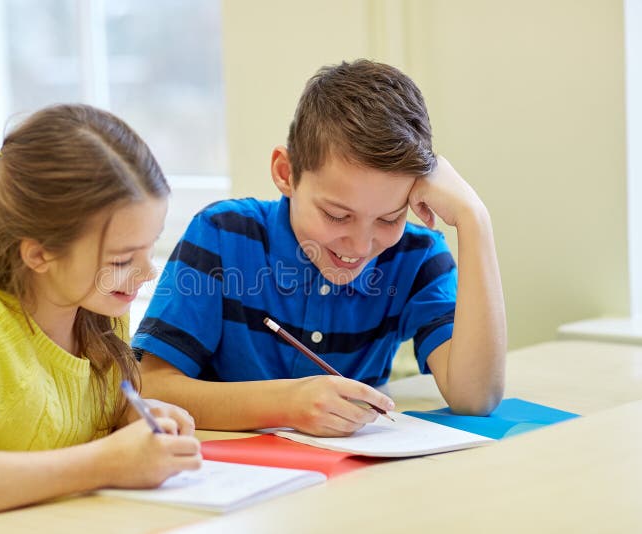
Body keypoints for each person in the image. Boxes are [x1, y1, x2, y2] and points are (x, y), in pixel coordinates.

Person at [134, 59, 507, 437]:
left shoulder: (418, 257)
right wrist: (287, 404)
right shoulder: (222, 234)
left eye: (389, 219)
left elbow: (475, 399)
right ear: (286, 173)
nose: (361, 246)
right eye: (336, 216)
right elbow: (151, 387)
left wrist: (474, 219)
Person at [0, 104, 202, 521]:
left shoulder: (100, 312)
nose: (148, 273)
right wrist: (106, 462)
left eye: (152, 246)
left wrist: (134, 417)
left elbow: (76, 417)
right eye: (124, 259)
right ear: (39, 253)